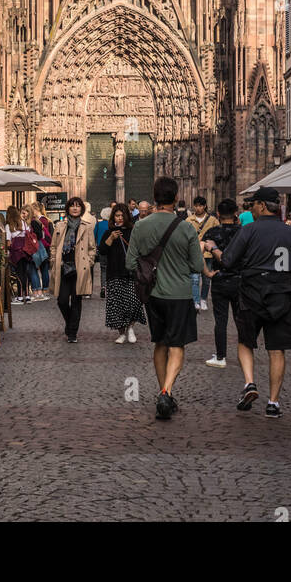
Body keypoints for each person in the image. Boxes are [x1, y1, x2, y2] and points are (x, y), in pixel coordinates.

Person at [220, 187, 291, 418]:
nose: (251, 208)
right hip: (281, 293)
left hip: (252, 292)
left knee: (245, 341)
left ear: (262, 206)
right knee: (277, 349)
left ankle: (250, 383)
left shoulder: (249, 230)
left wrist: (213, 250)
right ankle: (273, 402)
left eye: (253, 205)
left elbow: (228, 261)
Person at [126, 176, 204, 420]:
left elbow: (130, 263)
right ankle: (166, 391)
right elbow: (198, 266)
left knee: (159, 343)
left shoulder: (140, 226)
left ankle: (164, 393)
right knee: (177, 345)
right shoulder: (186, 227)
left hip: (154, 295)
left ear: (154, 198)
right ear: (177, 197)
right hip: (180, 295)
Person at [49, 197, 96, 342]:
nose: (75, 208)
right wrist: (53, 260)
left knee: (76, 301)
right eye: (72, 206)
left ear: (82, 209)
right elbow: (53, 246)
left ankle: (72, 333)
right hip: (63, 267)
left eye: (78, 206)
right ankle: (70, 324)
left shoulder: (86, 226)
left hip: (79, 269)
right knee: (62, 301)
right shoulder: (60, 226)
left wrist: (89, 262)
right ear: (68, 208)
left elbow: (92, 248)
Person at [98, 204, 146, 343]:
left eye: (121, 215)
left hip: (131, 272)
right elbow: (102, 251)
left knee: (133, 302)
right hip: (114, 272)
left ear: (127, 216)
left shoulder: (133, 231)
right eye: (116, 216)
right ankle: (121, 333)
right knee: (117, 305)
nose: (119, 218)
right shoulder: (109, 232)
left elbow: (141, 249)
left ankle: (130, 327)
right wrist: (111, 238)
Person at [202, 199, 241, 368]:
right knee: (241, 320)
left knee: (221, 320)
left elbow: (198, 251)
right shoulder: (244, 232)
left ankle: (220, 356)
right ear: (235, 213)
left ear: (217, 213)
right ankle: (245, 354)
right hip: (241, 280)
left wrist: (207, 272)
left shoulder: (212, 232)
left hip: (220, 280)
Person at [188, 196, 219, 312]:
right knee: (195, 278)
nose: (198, 208)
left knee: (206, 279)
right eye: (196, 206)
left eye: (200, 205)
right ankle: (196, 301)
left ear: (205, 206)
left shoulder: (213, 220)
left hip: (208, 255)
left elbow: (218, 234)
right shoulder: (189, 220)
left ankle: (203, 299)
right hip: (194, 254)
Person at [6, 205, 35, 304]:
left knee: (18, 274)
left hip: (16, 252)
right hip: (25, 251)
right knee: (25, 273)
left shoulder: (8, 225)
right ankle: (27, 295)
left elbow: (8, 242)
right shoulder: (23, 222)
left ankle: (19, 296)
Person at [94, 207, 112, 298]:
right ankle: (110, 288)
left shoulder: (98, 225)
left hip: (101, 250)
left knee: (103, 269)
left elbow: (94, 236)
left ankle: (103, 287)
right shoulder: (112, 225)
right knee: (111, 269)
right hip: (111, 250)